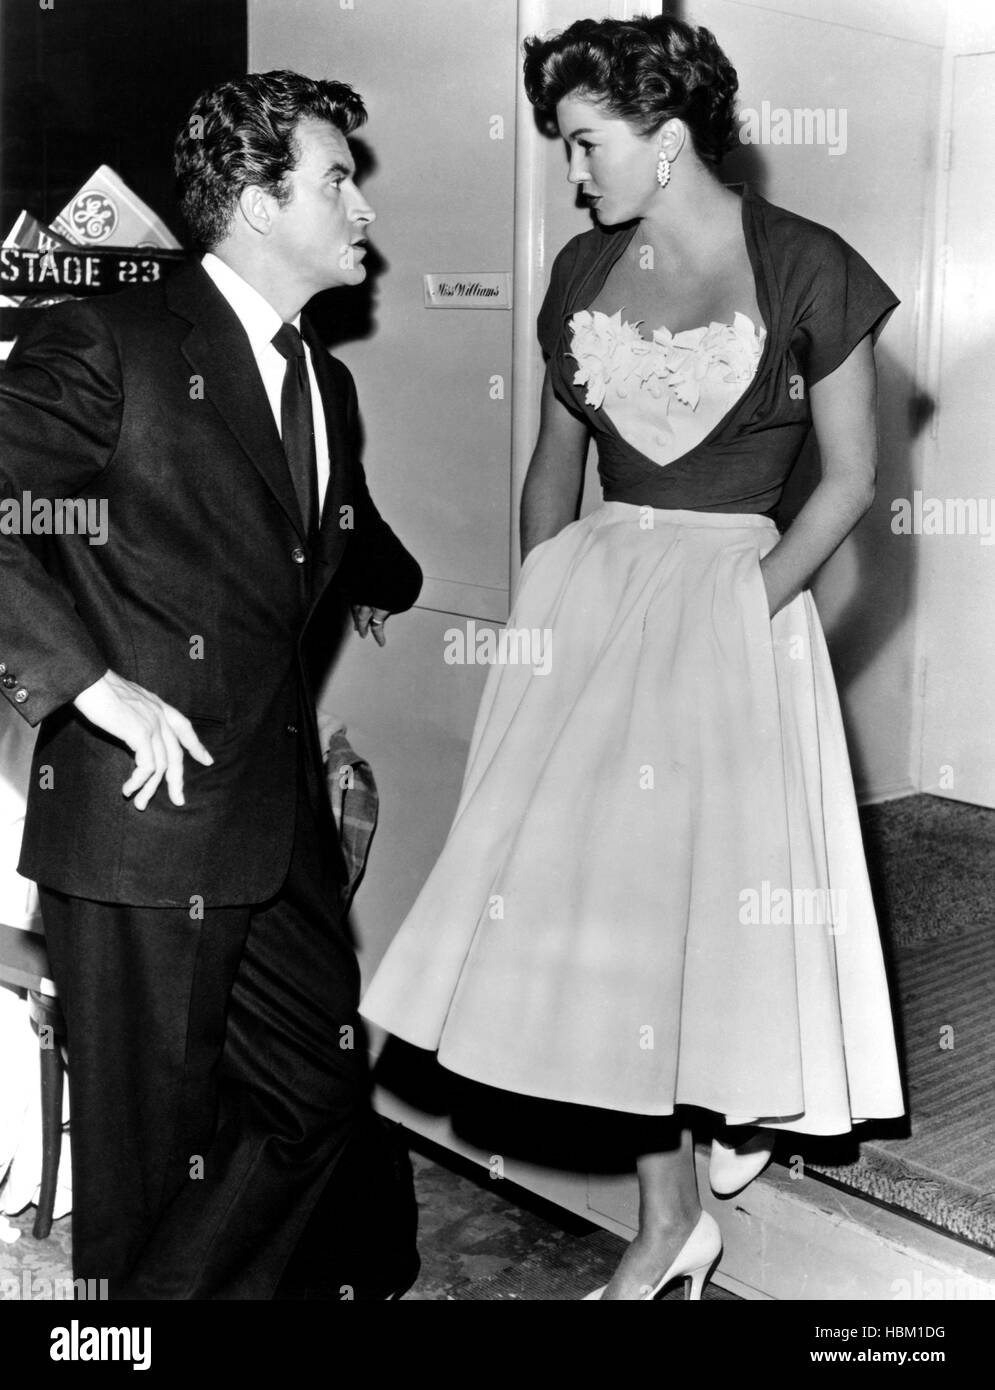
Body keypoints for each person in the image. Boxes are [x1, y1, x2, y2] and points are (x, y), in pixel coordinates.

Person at [360, 16, 904, 1301]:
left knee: (711, 898)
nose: (570, 170)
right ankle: (669, 1217)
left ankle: (741, 1099)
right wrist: (538, 629)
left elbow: (851, 486)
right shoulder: (580, 267)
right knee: (608, 922)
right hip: (594, 607)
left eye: (583, 142)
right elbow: (550, 472)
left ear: (665, 143)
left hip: (737, 601)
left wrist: (738, 611)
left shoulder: (812, 269)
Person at [0, 70, 422, 1300]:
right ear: (251, 200)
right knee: (147, 1172)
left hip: (275, 823)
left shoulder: (321, 381)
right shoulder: (115, 337)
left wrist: (411, 586)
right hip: (143, 820)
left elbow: (332, 529)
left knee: (315, 1098)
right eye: (336, 179)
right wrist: (86, 684)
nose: (362, 211)